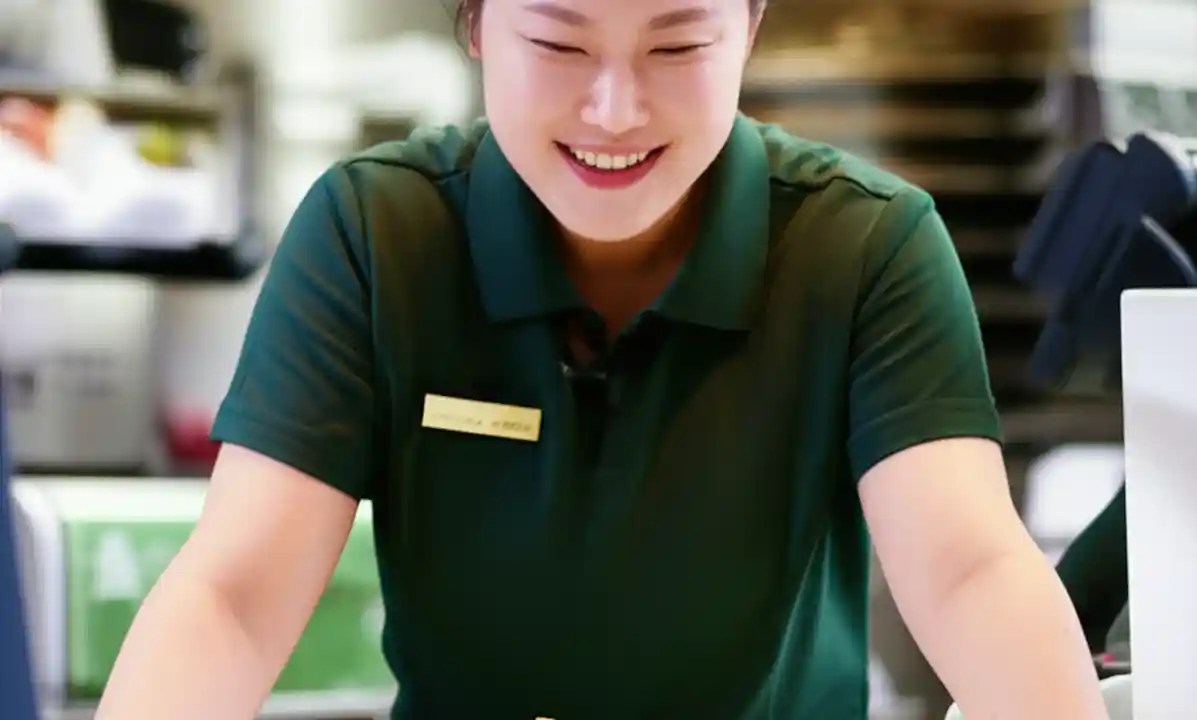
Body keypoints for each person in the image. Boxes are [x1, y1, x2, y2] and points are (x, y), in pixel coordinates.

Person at [98, 1, 1107, 717]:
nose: (615, 109)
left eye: (676, 46)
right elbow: (233, 598)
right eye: (556, 42)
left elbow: (971, 572)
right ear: (477, 23)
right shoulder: (376, 232)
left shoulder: (863, 245)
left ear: (748, 28)